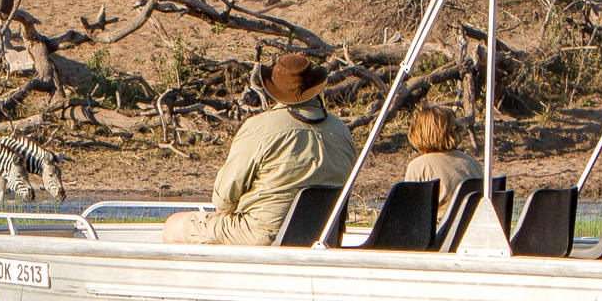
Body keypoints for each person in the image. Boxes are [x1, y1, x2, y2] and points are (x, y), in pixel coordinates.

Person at [165, 52, 361, 246]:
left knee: (172, 226)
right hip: (325, 234)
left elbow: (223, 201)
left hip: (264, 234)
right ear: (314, 87)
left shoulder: (260, 128)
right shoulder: (341, 129)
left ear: (273, 89)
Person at [401, 106, 481, 214]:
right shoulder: (473, 163)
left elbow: (409, 213)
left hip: (439, 229)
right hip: (470, 227)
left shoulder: (418, 166)